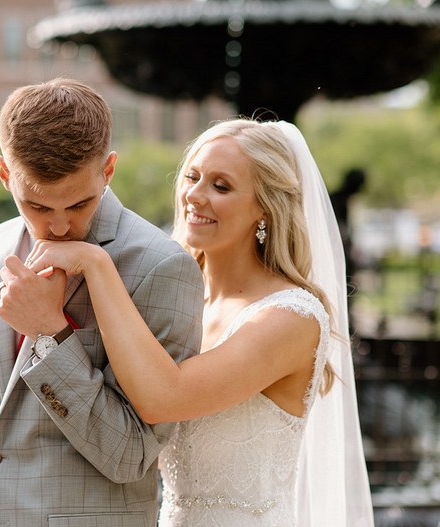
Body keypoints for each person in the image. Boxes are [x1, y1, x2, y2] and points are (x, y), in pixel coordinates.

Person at [24, 119, 374, 526]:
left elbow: (162, 400)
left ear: (265, 205)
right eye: (192, 177)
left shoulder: (290, 317)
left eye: (221, 186)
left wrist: (96, 263)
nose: (195, 195)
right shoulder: (179, 298)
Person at [0, 78, 205, 527]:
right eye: (36, 206)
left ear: (108, 170)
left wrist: (51, 335)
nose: (57, 226)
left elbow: (132, 456)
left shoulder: (163, 267)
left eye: (78, 204)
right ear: (4, 174)